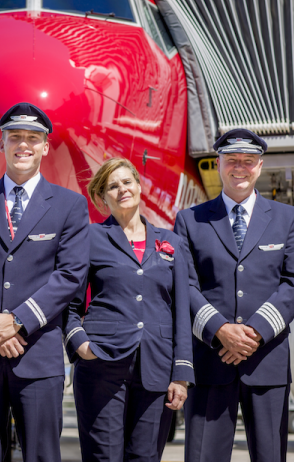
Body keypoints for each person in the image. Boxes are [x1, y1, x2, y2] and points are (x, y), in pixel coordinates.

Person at [0, 102, 90, 462]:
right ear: (2, 144)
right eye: (15, 137)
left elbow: (70, 274)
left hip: (37, 357)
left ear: (45, 146)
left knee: (41, 456)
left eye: (32, 138)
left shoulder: (70, 206)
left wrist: (18, 321)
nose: (23, 144)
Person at [173, 128, 294, 462]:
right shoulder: (190, 220)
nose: (240, 167)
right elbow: (185, 285)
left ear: (259, 166)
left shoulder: (289, 219)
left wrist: (253, 333)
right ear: (218, 164)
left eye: (248, 161)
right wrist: (221, 330)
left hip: (266, 361)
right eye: (232, 160)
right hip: (210, 359)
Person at [63, 157, 194, 462]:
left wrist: (181, 375)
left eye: (126, 181)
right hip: (101, 365)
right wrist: (80, 345)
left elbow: (181, 312)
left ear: (138, 185)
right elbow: (69, 304)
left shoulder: (171, 242)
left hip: (157, 368)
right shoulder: (89, 238)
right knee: (103, 457)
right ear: (102, 197)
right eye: (112, 186)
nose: (122, 189)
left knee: (145, 457)